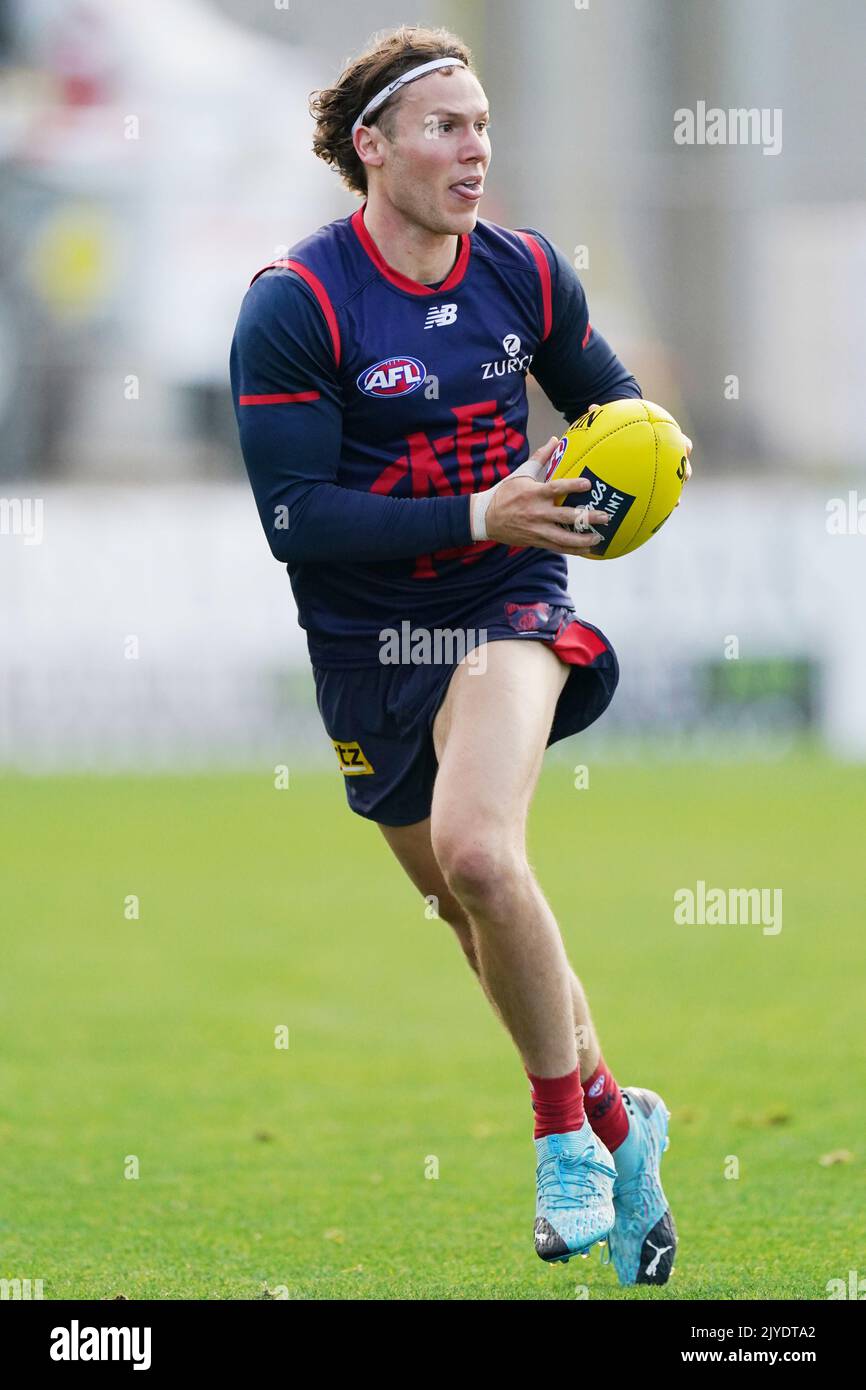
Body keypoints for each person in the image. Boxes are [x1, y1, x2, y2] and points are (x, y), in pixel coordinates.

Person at [230, 24, 690, 1284]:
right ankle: (616, 1120)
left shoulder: (528, 275)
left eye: (482, 122)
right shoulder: (298, 302)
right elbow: (294, 522)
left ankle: (557, 1144)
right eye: (444, 126)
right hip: (364, 644)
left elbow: (614, 413)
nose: (473, 147)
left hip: (507, 607)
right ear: (369, 149)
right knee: (469, 914)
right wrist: (476, 503)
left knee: (484, 852)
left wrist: (644, 459)